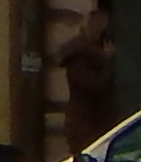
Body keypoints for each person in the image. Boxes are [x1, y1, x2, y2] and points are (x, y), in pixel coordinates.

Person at [51, 8, 118, 150]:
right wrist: (107, 61)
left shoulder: (87, 54)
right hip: (85, 123)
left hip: (93, 122)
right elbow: (95, 86)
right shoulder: (79, 57)